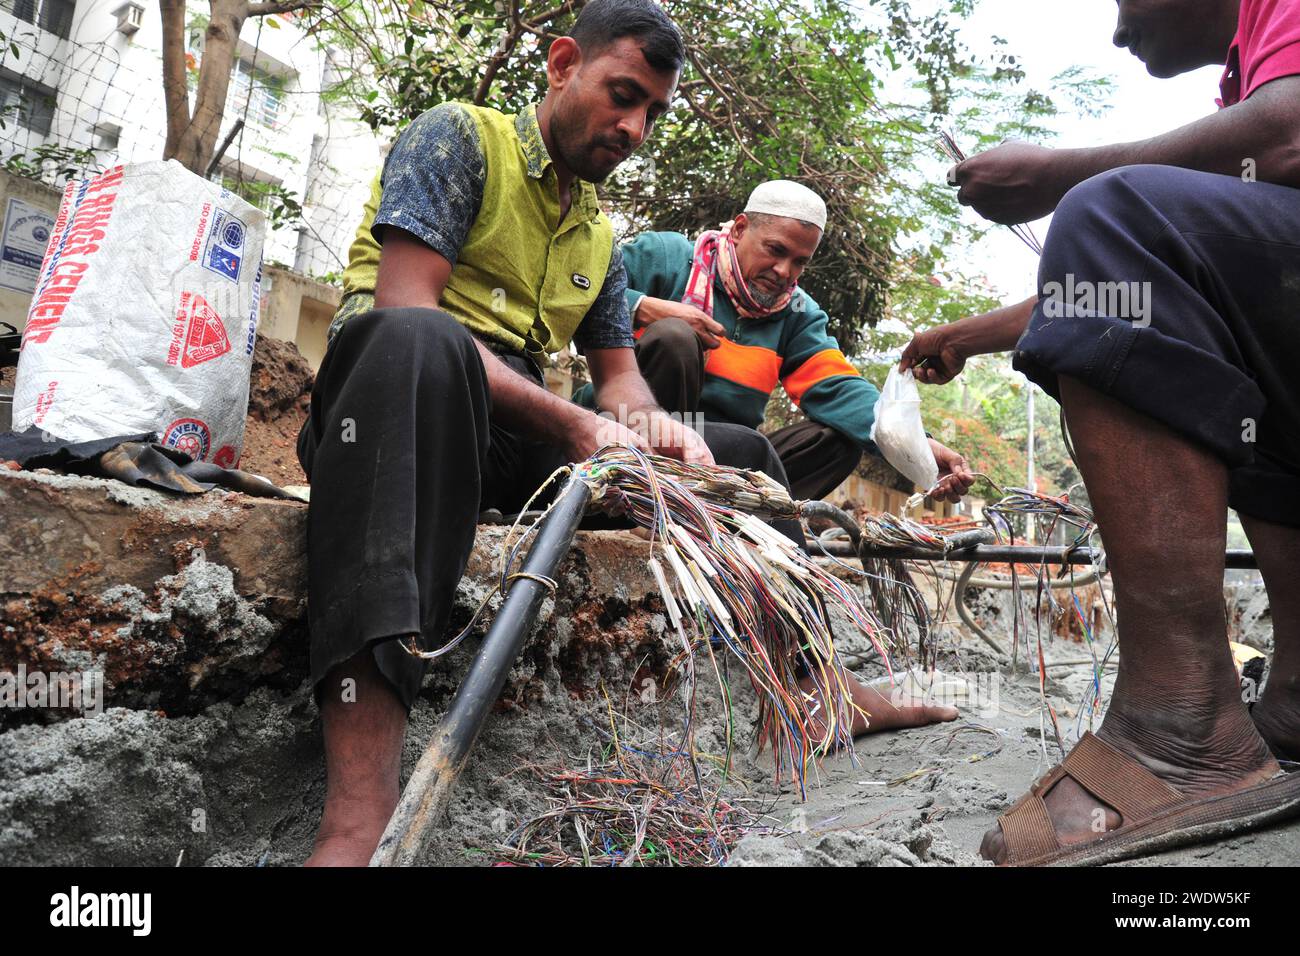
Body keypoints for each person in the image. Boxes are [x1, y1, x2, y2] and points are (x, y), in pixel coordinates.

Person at [298, 0, 953, 867]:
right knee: (421, 342)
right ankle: (360, 803)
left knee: (745, 451)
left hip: (513, 432)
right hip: (393, 409)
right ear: (563, 63)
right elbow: (406, 307)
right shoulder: (458, 137)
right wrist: (578, 424)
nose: (634, 126)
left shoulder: (598, 230)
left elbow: (618, 381)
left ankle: (812, 688)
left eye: (651, 111)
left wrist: (655, 434)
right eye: (622, 95)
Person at [901, 0, 1300, 865]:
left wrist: (1058, 178)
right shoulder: (1255, 69)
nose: (1118, 32)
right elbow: (1210, 262)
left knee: (1108, 215)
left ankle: (1181, 731)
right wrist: (965, 336)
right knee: (1167, 270)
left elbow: (1287, 137)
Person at [575, 180, 975, 503]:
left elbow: (838, 390)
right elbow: (576, 293)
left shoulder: (797, 314)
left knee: (837, 440)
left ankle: (737, 514)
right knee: (676, 337)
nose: (785, 271)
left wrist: (922, 447)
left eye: (800, 261)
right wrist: (643, 306)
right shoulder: (664, 257)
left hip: (721, 455)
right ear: (741, 228)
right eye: (776, 250)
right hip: (632, 438)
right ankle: (643, 491)